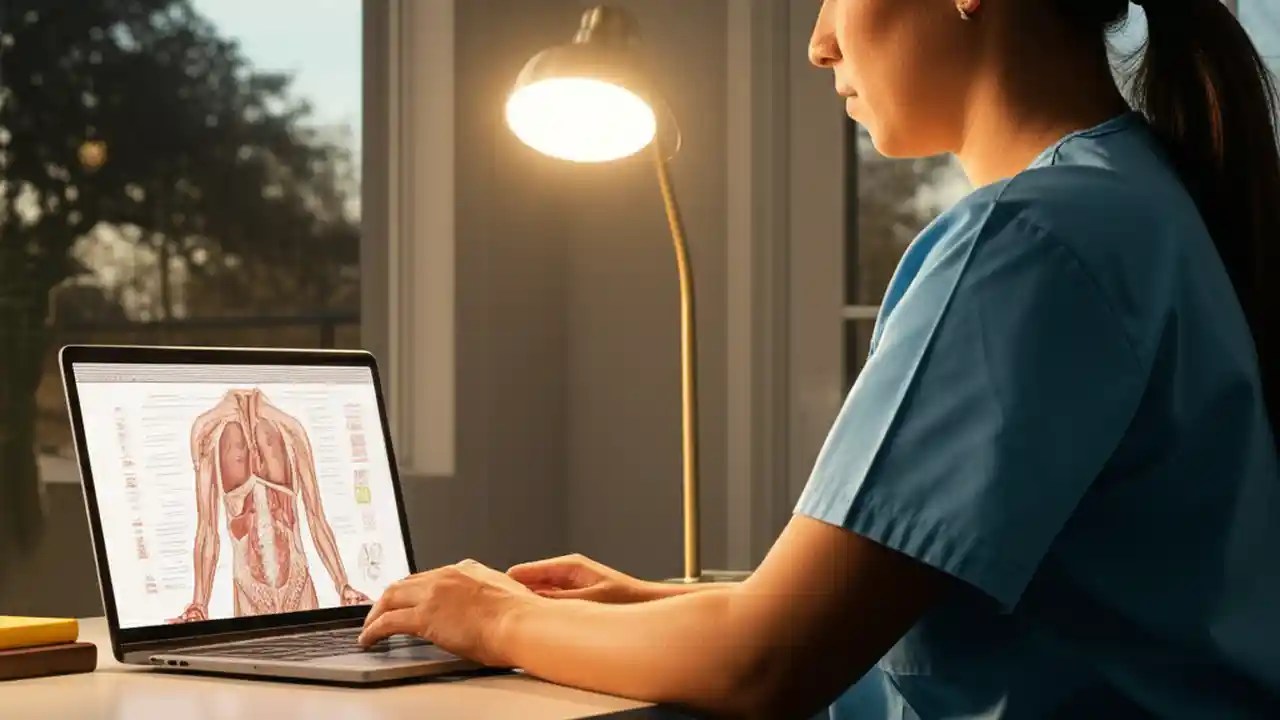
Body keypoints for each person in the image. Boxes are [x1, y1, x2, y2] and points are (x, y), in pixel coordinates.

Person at [359, 0, 1280, 717]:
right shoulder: (1139, 203)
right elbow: (989, 607)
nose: (818, 43)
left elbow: (769, 665)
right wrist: (645, 604)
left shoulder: (1028, 238)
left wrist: (495, 619)